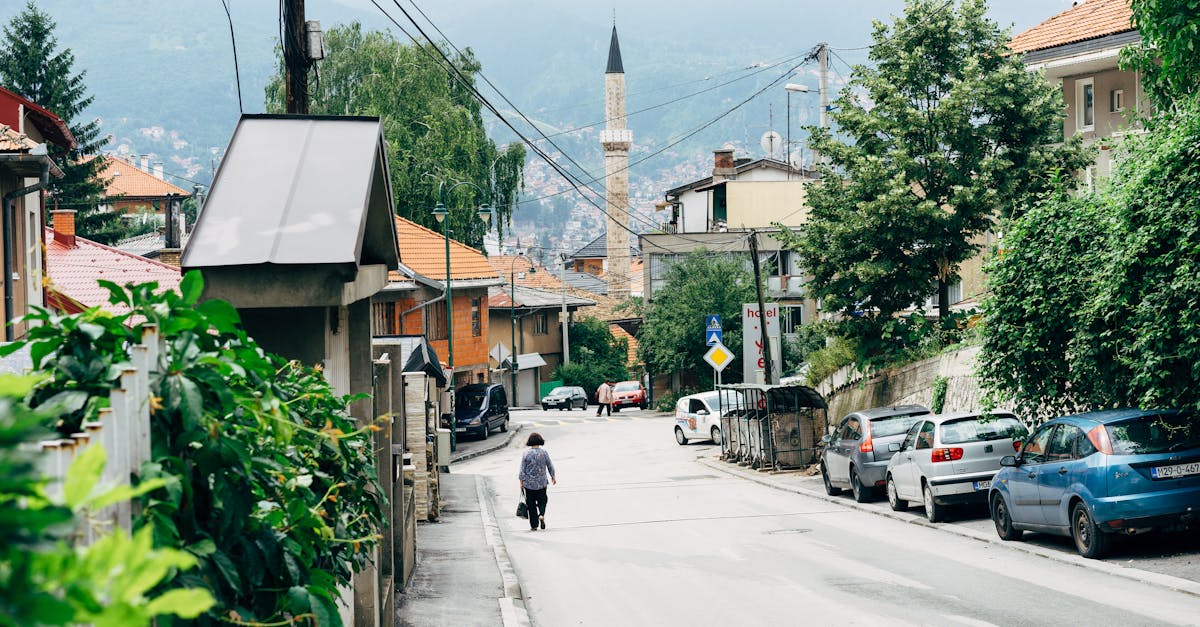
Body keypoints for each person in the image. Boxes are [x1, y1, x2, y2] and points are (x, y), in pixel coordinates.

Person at [519, 432, 556, 531]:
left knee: (531, 504)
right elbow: (550, 465)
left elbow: (522, 469)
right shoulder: (544, 453)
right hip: (542, 483)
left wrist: (521, 482)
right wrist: (553, 476)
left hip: (529, 484)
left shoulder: (526, 453)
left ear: (530, 442)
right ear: (540, 441)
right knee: (543, 500)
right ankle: (542, 514)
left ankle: (534, 525)